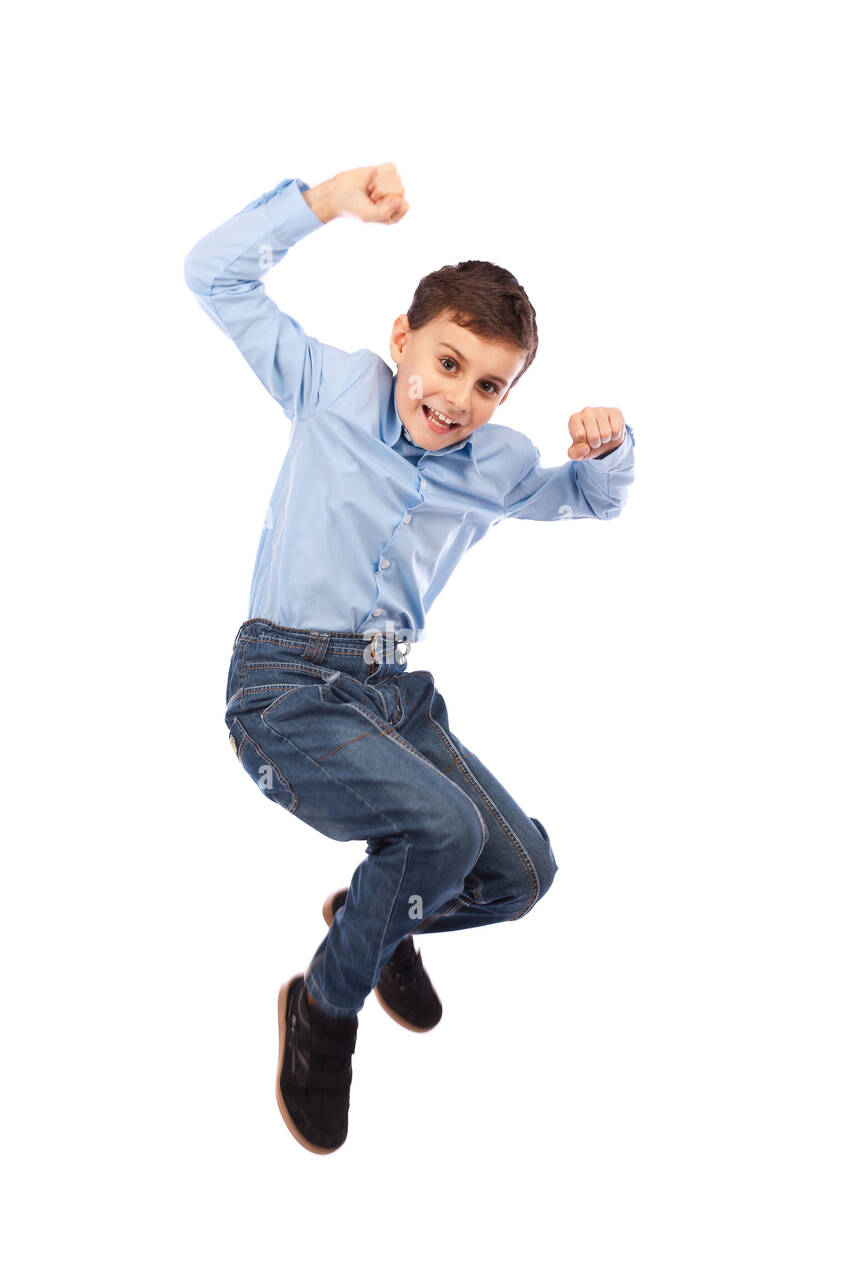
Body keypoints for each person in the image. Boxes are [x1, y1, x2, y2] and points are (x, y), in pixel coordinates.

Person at [183, 162, 636, 1155]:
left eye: (488, 383)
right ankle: (324, 1007)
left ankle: (371, 919)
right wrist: (326, 204)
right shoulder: (331, 386)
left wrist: (607, 450)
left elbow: (587, 503)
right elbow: (213, 276)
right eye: (444, 362)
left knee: (521, 874)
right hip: (285, 688)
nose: (457, 397)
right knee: (438, 829)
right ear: (402, 340)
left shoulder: (499, 464)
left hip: (394, 695)